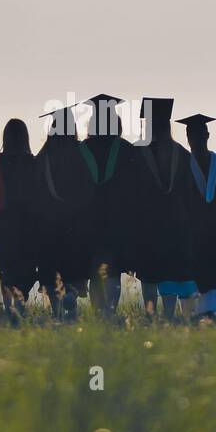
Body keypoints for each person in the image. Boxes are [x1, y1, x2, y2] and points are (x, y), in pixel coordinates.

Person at [132, 97, 195, 319]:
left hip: (147, 224)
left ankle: (150, 317)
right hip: (178, 223)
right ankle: (170, 317)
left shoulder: (136, 153)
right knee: (172, 272)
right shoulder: (183, 155)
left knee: (149, 275)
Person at [79, 94, 138, 318]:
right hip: (118, 218)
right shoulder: (126, 149)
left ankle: (98, 313)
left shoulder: (81, 150)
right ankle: (110, 311)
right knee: (113, 269)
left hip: (88, 218)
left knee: (95, 269)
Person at [33, 105, 92, 319]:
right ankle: (73, 297)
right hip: (76, 223)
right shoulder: (82, 152)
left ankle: (57, 313)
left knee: (53, 272)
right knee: (73, 270)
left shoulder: (43, 156)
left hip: (49, 225)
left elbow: (36, 189)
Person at [177, 113, 216, 321]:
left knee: (196, 276)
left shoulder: (183, 165)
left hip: (194, 233)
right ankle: (209, 314)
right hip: (214, 232)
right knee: (210, 278)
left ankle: (197, 316)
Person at [0, 119, 37, 322]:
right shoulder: (33, 163)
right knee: (27, 267)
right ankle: (20, 305)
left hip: (2, 225)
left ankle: (9, 309)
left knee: (6, 267)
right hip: (29, 224)